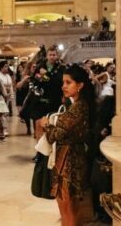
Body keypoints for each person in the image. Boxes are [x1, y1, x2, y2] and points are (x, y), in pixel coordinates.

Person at [42, 65, 96, 226]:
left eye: (68, 82)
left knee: (68, 204)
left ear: (80, 85)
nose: (63, 86)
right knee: (65, 203)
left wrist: (46, 125)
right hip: (69, 157)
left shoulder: (78, 108)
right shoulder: (77, 105)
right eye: (63, 82)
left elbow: (54, 136)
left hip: (70, 161)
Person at [31, 47, 65, 140]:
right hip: (40, 100)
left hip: (54, 100)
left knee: (50, 126)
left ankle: (48, 151)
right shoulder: (40, 66)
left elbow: (56, 82)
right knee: (38, 125)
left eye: (54, 55)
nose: (52, 57)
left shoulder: (61, 68)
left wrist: (45, 75)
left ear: (57, 56)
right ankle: (39, 152)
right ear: (47, 56)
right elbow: (35, 80)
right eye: (50, 55)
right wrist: (40, 77)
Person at [0, 61, 14, 138]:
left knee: (5, 113)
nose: (7, 68)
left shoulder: (8, 76)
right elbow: (0, 87)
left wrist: (11, 95)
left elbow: (11, 86)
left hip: (8, 96)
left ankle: (5, 129)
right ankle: (2, 130)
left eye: (7, 66)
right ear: (1, 67)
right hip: (0, 96)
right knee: (0, 113)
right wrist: (5, 94)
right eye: (5, 66)